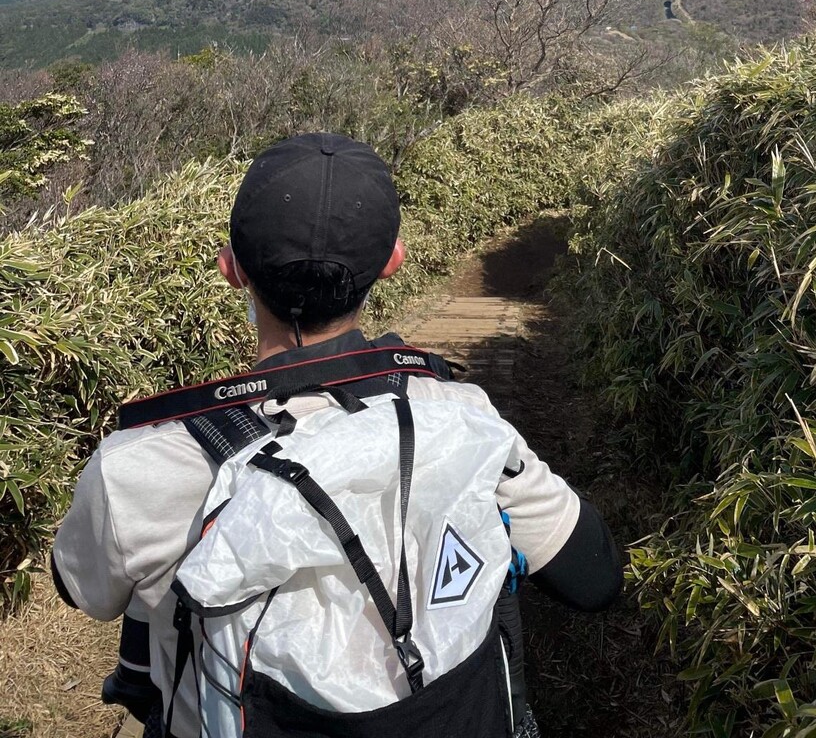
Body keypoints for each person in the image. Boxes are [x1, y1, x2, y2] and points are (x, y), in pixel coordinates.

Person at [51, 133, 623, 737]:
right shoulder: (461, 420)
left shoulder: (139, 468)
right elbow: (595, 579)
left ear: (231, 270)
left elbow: (85, 591)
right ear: (392, 262)